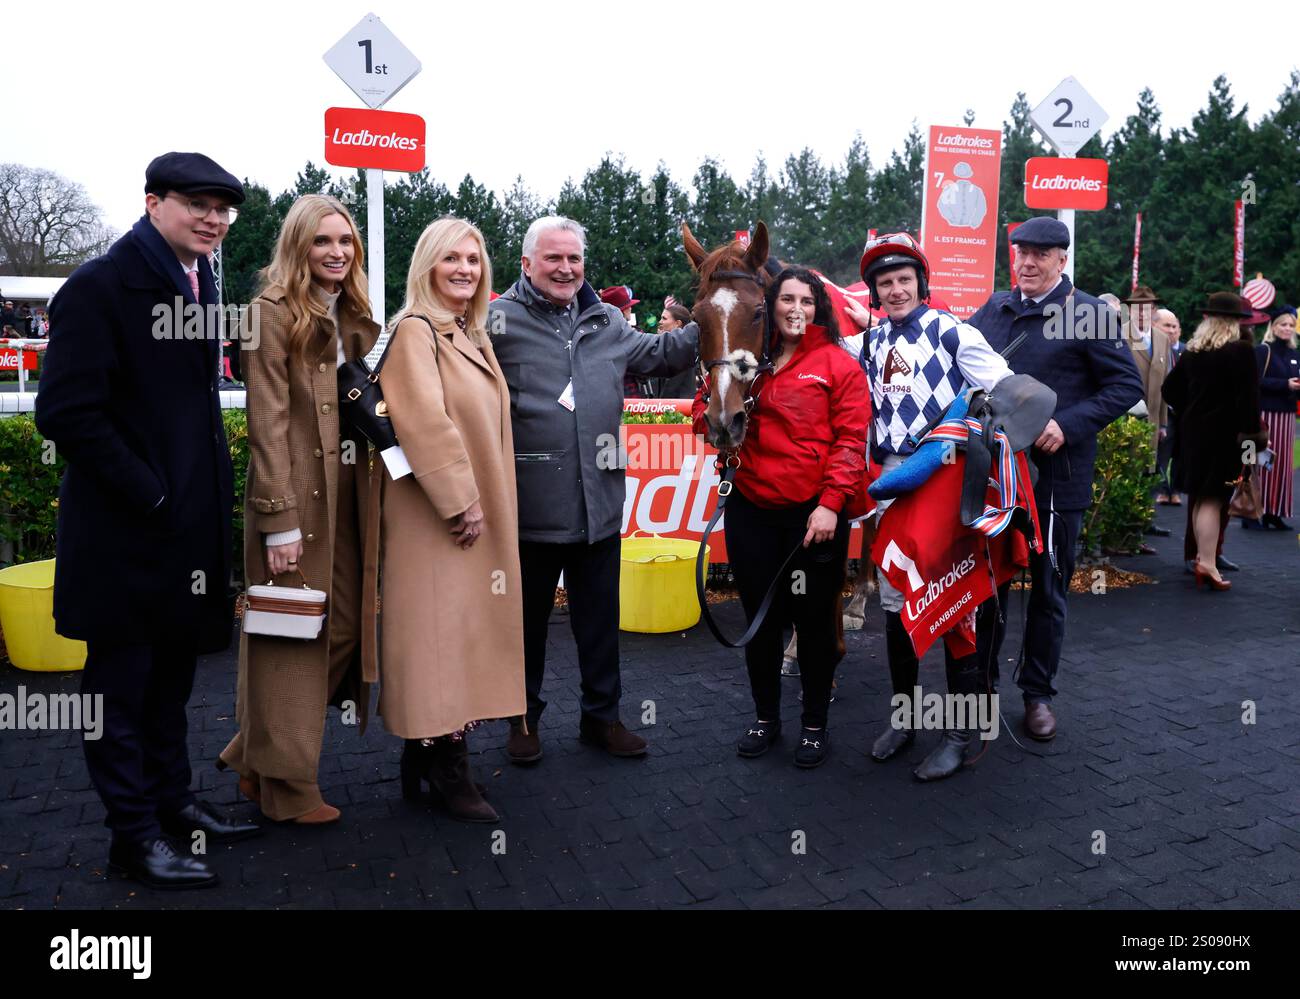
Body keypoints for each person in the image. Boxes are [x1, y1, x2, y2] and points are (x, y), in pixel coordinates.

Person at [34, 152, 258, 889]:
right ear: (153, 202)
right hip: (127, 539)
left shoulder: (196, 281)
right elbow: (66, 412)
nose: (214, 219)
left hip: (180, 538)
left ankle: (175, 808)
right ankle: (132, 837)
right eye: (197, 203)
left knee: (170, 686)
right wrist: (155, 496)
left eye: (223, 209)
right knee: (119, 695)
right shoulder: (100, 286)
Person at [489, 216, 698, 764]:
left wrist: (720, 306)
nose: (565, 269)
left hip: (599, 507)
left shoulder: (607, 320)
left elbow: (664, 354)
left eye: (574, 259)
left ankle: (602, 720)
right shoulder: (494, 321)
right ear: (527, 264)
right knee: (526, 629)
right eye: (553, 258)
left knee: (600, 626)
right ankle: (522, 721)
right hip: (528, 510)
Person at [217, 195, 381, 825]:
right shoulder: (269, 313)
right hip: (292, 503)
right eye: (322, 241)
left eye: (345, 241)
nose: (336, 252)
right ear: (298, 247)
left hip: (346, 499)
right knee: (289, 635)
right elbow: (267, 422)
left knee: (340, 627)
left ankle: (257, 760)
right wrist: (277, 518)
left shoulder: (355, 312)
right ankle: (287, 789)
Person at [966, 217, 1142, 740]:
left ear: (1062, 260)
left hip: (1055, 480)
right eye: (1021, 251)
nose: (1027, 262)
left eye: (1041, 254)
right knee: (986, 586)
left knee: (1047, 591)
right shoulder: (993, 309)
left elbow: (1125, 385)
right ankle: (981, 687)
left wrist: (1065, 425)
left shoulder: (1086, 313)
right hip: (994, 479)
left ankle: (1037, 693)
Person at [846, 233, 1014, 780]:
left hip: (944, 478)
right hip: (891, 481)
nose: (895, 291)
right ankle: (905, 719)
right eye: (885, 283)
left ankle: (961, 734)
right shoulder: (867, 344)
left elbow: (1005, 389)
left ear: (920, 283)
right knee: (897, 599)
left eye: (903, 280)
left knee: (954, 603)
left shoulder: (952, 331)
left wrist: (967, 423)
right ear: (873, 291)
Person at [378, 217, 526, 822]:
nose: (465, 268)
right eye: (451, 259)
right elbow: (422, 421)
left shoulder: (467, 331)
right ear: (427, 267)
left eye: (473, 258)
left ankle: (425, 757)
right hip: (441, 517)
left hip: (464, 514)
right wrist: (461, 499)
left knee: (452, 636)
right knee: (438, 638)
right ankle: (446, 768)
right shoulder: (416, 330)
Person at [691, 267, 866, 768]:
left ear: (819, 309)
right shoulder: (750, 362)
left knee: (813, 626)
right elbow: (708, 403)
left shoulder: (838, 365)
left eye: (806, 301)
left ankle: (814, 726)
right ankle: (766, 718)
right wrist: (707, 415)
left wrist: (831, 504)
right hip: (750, 512)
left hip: (813, 519)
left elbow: (851, 442)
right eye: (786, 299)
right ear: (770, 305)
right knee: (760, 623)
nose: (796, 309)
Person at [1161, 293, 1267, 590]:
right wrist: (1251, 446)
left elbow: (1169, 390)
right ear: (1235, 322)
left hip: (1192, 435)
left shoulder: (1193, 352)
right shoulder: (1241, 352)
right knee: (1213, 500)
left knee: (1199, 497)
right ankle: (1207, 563)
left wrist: (1192, 408)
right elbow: (1249, 406)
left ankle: (1201, 558)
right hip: (1224, 439)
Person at [1123, 286, 1173, 544]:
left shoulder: (1162, 339)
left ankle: (1143, 525)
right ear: (1129, 310)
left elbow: (1165, 384)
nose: (1141, 312)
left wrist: (1163, 423)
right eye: (1136, 307)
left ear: (1154, 311)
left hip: (1153, 422)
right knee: (1127, 474)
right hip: (1126, 420)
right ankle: (1125, 532)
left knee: (1149, 473)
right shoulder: (1119, 336)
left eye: (1147, 307)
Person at [1253, 304, 1299, 530]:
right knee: (1260, 462)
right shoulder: (1263, 350)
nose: (1287, 328)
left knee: (1281, 466)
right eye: (1283, 324)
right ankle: (1251, 512)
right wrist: (1284, 385)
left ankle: (1275, 511)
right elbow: (1253, 382)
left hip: (1287, 417)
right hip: (1265, 415)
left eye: (1291, 325)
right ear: (1273, 326)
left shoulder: (1294, 354)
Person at [1152, 308, 1185, 506]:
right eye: (1167, 326)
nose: (1171, 330)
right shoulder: (1148, 350)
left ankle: (1177, 490)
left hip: (1183, 414)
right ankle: (1163, 490)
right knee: (1160, 455)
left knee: (1181, 454)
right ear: (1154, 326)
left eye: (1174, 326)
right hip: (1162, 413)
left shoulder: (1188, 351)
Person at [601, 285, 649, 397]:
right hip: (629, 396)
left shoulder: (595, 335)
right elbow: (644, 371)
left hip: (604, 397)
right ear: (621, 310)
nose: (631, 308)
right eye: (628, 306)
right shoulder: (632, 335)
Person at [653, 302, 697, 398]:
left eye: (664, 318)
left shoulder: (682, 348)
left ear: (678, 323)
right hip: (666, 406)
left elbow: (670, 387)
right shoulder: (671, 345)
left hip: (680, 408)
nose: (660, 322)